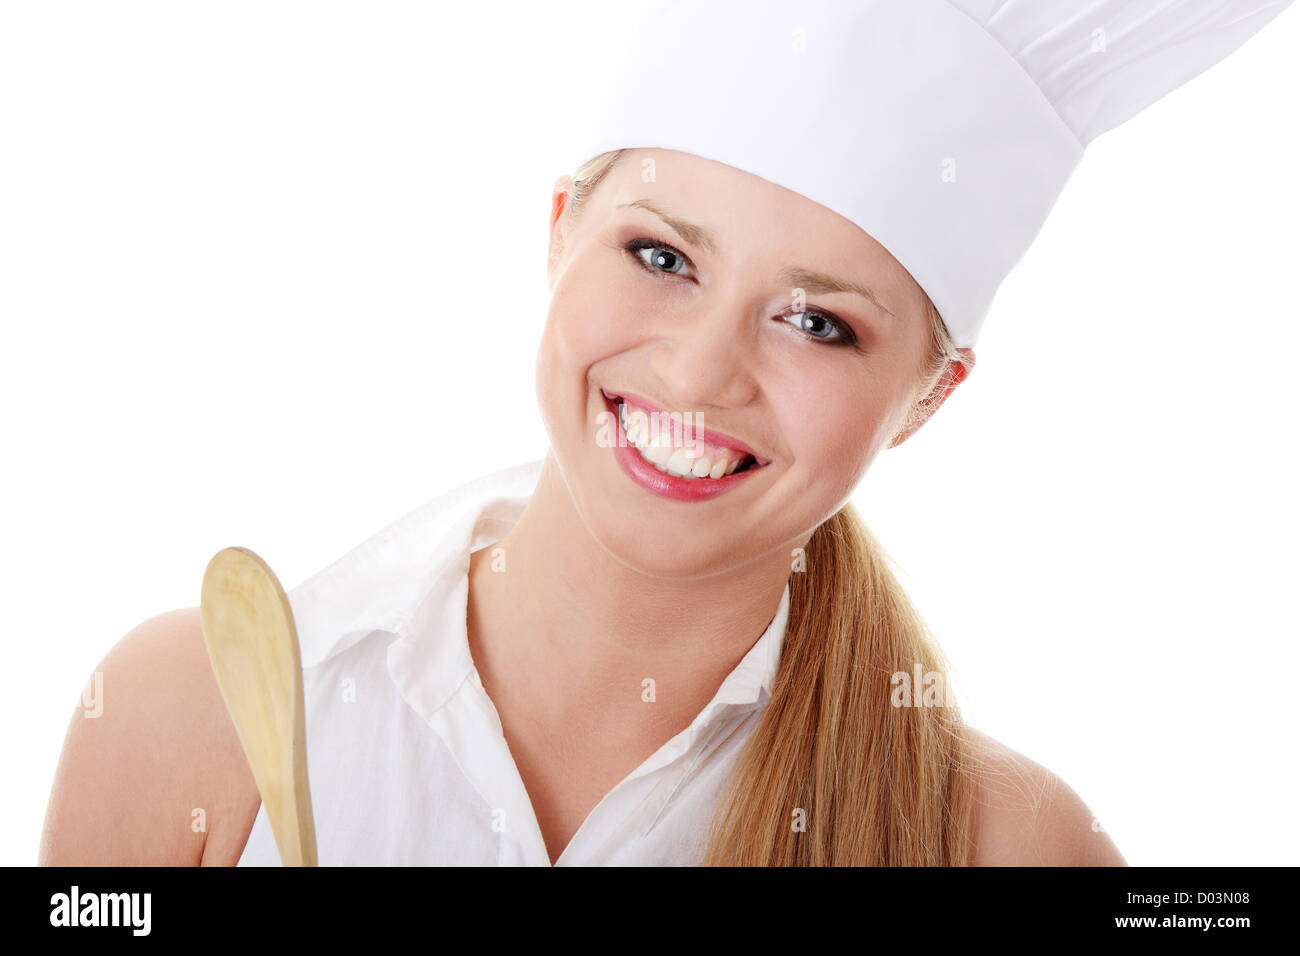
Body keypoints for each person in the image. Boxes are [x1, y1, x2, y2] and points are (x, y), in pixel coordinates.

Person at [39, 0, 1290, 866]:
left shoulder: (1005, 843)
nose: (699, 369)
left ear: (930, 393)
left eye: (817, 321)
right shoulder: (188, 713)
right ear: (555, 232)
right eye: (659, 253)